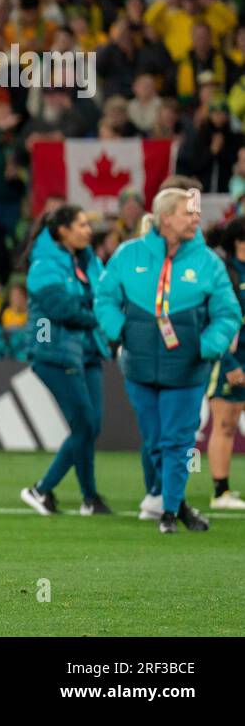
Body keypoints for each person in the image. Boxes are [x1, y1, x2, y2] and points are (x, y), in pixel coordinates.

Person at [95, 187, 240, 533]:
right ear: (165, 218)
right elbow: (104, 298)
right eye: (188, 212)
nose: (196, 219)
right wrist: (121, 332)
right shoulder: (129, 255)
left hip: (187, 369)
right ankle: (179, 504)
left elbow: (228, 314)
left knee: (177, 439)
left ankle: (170, 512)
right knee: (155, 438)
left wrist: (208, 346)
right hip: (139, 366)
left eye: (196, 213)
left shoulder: (208, 262)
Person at [19, 205, 112, 516]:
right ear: (63, 231)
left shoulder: (86, 260)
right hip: (54, 351)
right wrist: (102, 316)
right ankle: (42, 489)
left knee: (90, 425)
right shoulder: (44, 264)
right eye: (82, 224)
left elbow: (105, 296)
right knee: (85, 424)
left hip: (88, 351)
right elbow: (62, 309)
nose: (88, 230)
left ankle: (90, 499)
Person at [203, 215, 245, 510]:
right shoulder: (226, 272)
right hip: (232, 358)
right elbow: (213, 321)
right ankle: (221, 491)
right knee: (226, 422)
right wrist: (229, 361)